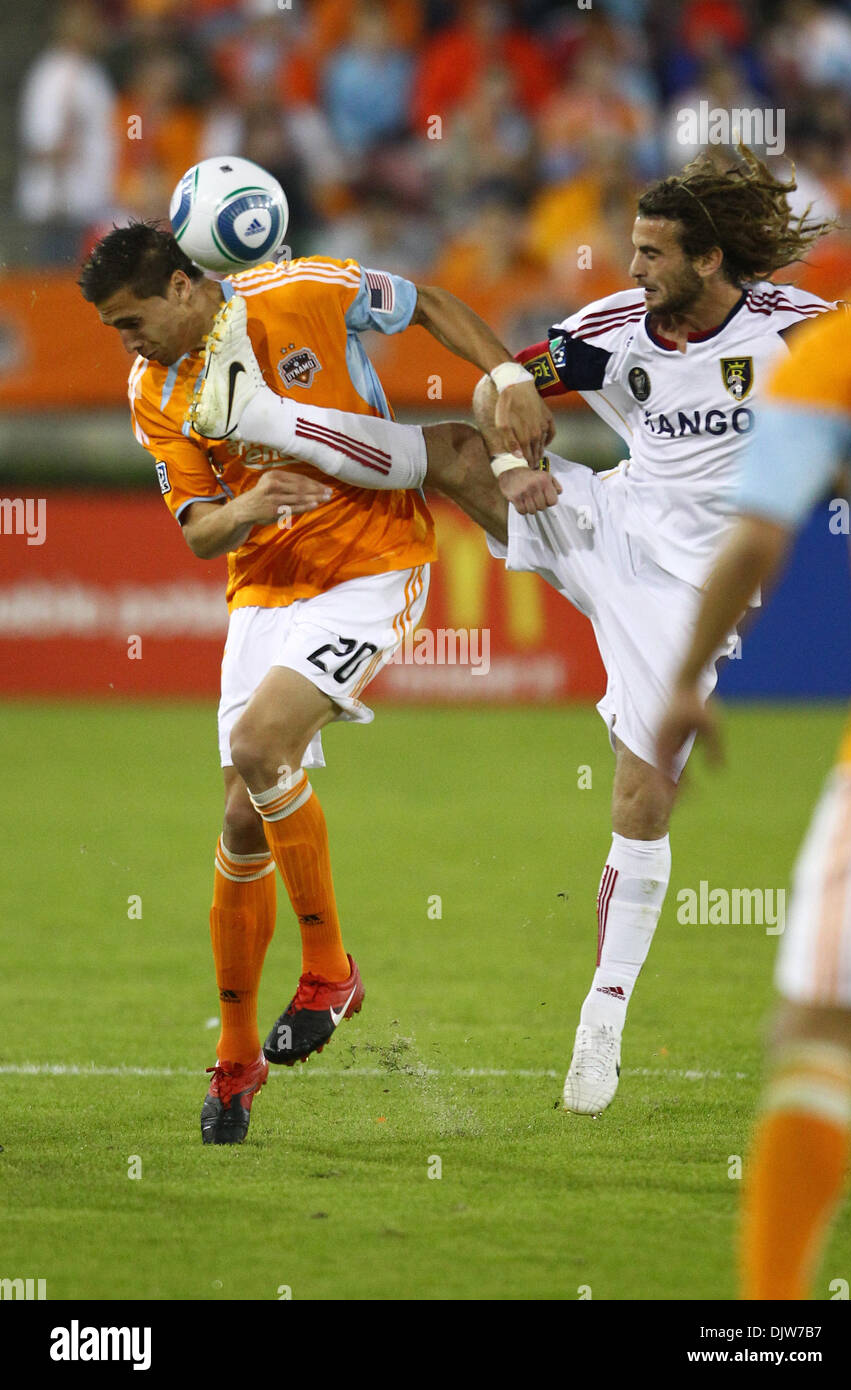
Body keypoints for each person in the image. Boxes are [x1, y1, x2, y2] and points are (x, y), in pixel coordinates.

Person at [188, 147, 836, 1117]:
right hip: (603, 522)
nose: (631, 269)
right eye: (629, 247)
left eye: (652, 253)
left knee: (642, 791)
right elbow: (501, 385)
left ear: (707, 260)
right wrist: (505, 431)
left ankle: (601, 1014)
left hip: (693, 586)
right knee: (447, 448)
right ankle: (274, 417)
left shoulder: (799, 331)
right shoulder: (610, 331)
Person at [78, 222, 551, 1144]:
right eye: (110, 329)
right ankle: (236, 1055)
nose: (125, 342)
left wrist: (510, 378)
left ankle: (331, 969)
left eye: (132, 320)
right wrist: (248, 507)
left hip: (373, 564)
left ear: (183, 286)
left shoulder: (306, 291)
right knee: (237, 816)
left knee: (260, 746)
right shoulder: (154, 390)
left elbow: (438, 307)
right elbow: (201, 533)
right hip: (263, 589)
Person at [656, 290, 851, 1300]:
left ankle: (774, 1319)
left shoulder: (838, 349)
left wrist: (682, 682)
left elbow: (753, 541)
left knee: (818, 1028)